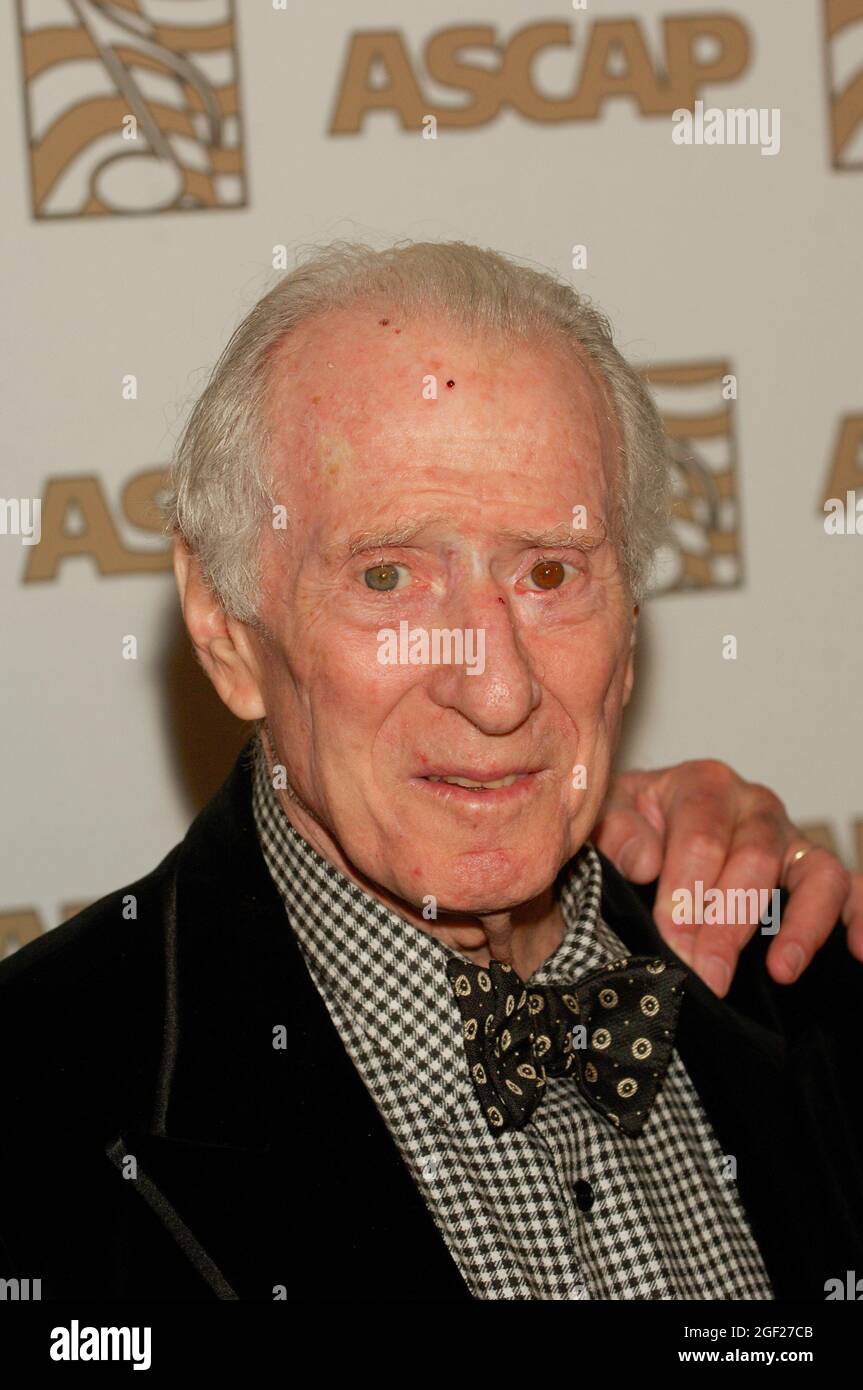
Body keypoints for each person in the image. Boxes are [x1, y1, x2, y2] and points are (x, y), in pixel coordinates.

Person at [1, 241, 860, 1301]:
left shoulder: (806, 977)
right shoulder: (35, 1114)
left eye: (549, 572)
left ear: (630, 623)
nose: (494, 690)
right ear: (224, 623)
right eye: (388, 576)